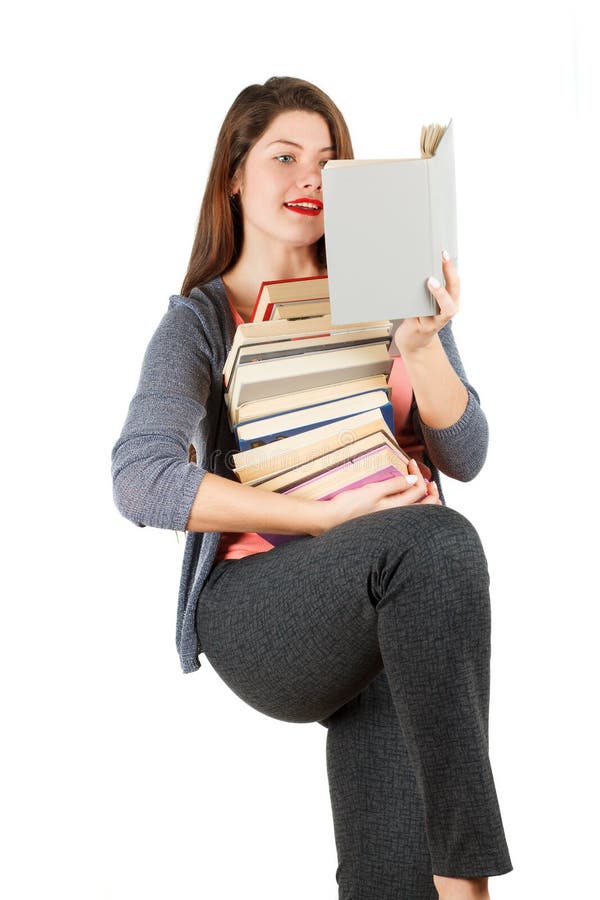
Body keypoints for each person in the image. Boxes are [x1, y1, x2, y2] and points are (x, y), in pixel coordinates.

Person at [111, 75, 513, 900]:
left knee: (388, 877)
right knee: (440, 544)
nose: (308, 180)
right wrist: (322, 517)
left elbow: (466, 451)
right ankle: (470, 884)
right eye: (284, 157)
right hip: (266, 605)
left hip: (401, 588)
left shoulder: (393, 287)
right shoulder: (201, 319)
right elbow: (140, 479)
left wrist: (424, 344)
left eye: (327, 164)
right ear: (234, 175)